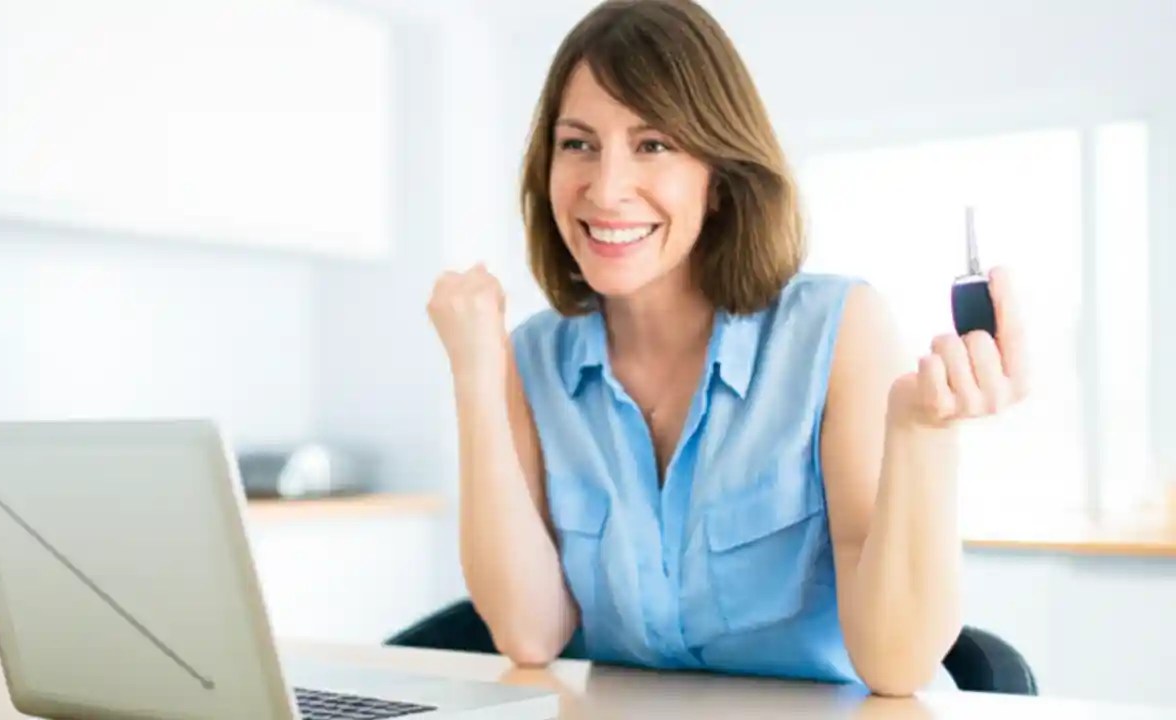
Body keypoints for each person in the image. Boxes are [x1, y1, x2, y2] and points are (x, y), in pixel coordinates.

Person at [426, 0, 1029, 698]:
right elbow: (529, 634)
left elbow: (896, 666)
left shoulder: (838, 330)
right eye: (578, 143)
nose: (606, 186)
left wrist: (922, 432)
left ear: (718, 178)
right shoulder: (531, 360)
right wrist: (476, 372)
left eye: (652, 144)